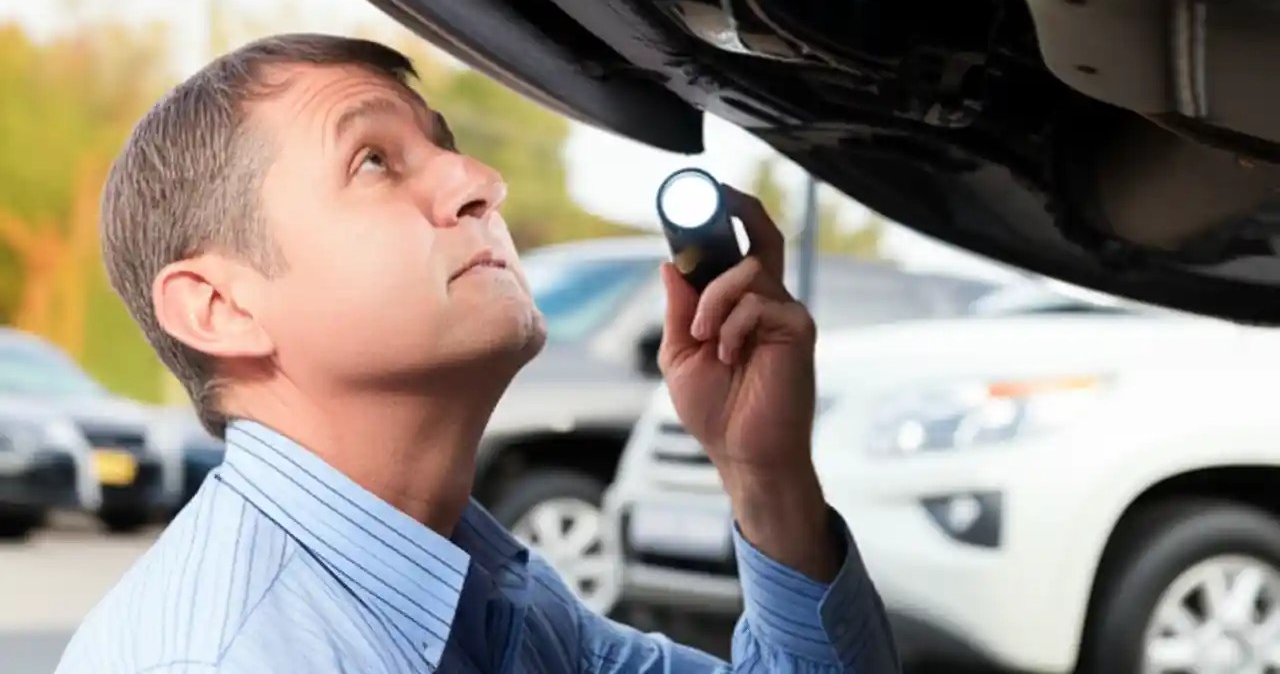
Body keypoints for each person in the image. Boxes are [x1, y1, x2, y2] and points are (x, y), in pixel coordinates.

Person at [55, 33, 900, 674]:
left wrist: (767, 474)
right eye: (375, 160)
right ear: (221, 307)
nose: (479, 180)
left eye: (444, 144)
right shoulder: (238, 653)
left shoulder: (493, 600)